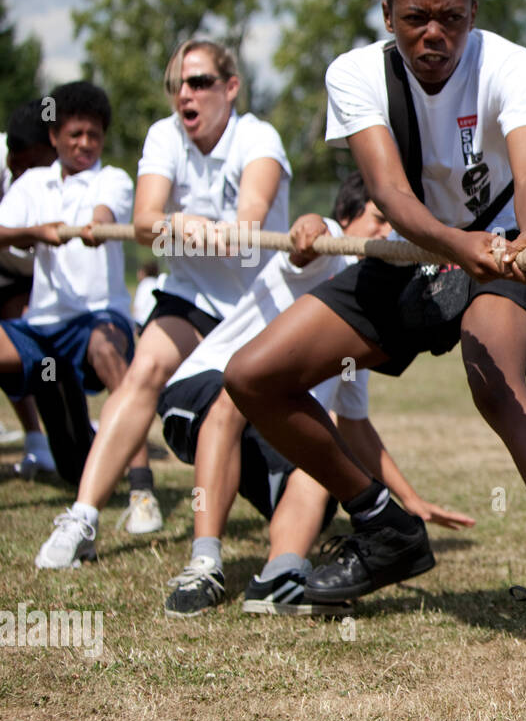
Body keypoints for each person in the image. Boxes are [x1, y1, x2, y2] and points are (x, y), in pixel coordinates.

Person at [225, 0, 526, 638]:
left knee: (496, 380)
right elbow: (391, 196)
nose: (436, 34)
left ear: (473, 12)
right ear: (388, 14)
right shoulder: (355, 73)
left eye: (452, 18)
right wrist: (461, 249)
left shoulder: (509, 63)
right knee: (252, 376)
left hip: (500, 252)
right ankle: (382, 524)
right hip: (410, 252)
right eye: (417, 17)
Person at [158, 171, 472, 617]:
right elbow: (308, 234)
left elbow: (356, 426)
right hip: (198, 395)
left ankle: (279, 577)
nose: (387, 234)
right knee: (236, 387)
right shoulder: (331, 251)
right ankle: (204, 563)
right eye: (379, 220)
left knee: (324, 460)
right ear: (347, 215)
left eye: (394, 227)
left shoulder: (362, 309)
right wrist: (312, 228)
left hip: (267, 431)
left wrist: (410, 498)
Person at [34, 38, 289, 568]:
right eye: (178, 84)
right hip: (191, 293)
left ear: (231, 88)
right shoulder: (164, 137)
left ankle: (363, 509)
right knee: (143, 372)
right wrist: (186, 226)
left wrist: (212, 230)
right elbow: (148, 223)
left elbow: (250, 221)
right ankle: (83, 516)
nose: (185, 94)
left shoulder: (257, 138)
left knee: (290, 429)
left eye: (199, 82)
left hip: (260, 304)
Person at [0, 82, 148, 517]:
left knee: (106, 350)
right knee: (73, 465)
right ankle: (59, 446)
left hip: (99, 319)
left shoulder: (113, 179)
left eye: (94, 135)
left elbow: (106, 212)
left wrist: (94, 226)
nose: (85, 144)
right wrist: (36, 232)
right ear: (54, 137)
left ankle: (142, 489)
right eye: (75, 134)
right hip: (43, 327)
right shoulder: (32, 184)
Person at [0, 99, 58, 465]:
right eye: (15, 162)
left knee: (32, 352)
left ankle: (45, 438)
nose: (21, 172)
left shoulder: (70, 177)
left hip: (33, 280)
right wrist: (28, 231)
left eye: (31, 163)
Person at [132, 260, 162, 332]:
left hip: (142, 322)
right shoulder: (159, 283)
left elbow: (138, 305)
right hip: (156, 321)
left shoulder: (144, 284)